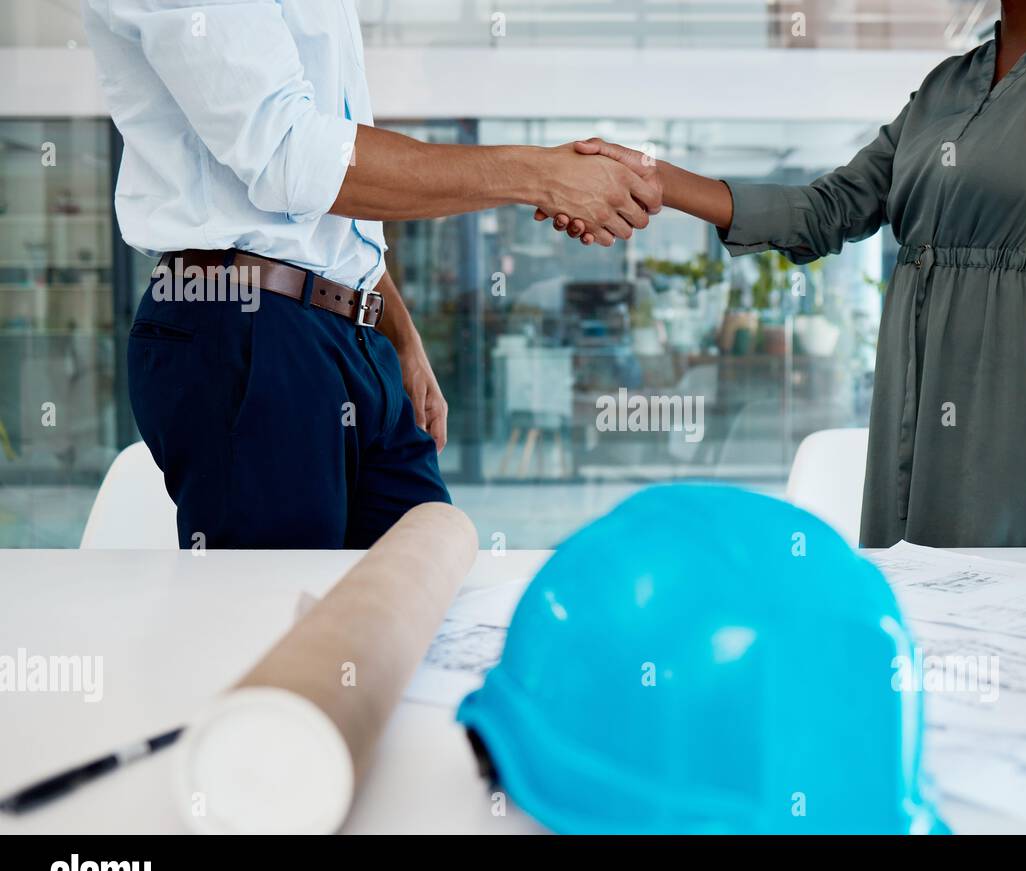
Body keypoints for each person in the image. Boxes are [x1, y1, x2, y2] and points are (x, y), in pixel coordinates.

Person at [543, 0, 1026, 587]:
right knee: (924, 636)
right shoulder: (945, 86)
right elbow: (826, 208)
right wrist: (650, 177)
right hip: (914, 400)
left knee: (1020, 638)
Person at [82, 0, 656, 549]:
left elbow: (334, 214)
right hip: (248, 328)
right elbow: (291, 159)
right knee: (279, 619)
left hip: (352, 338)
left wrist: (398, 335)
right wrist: (538, 174)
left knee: (421, 579)